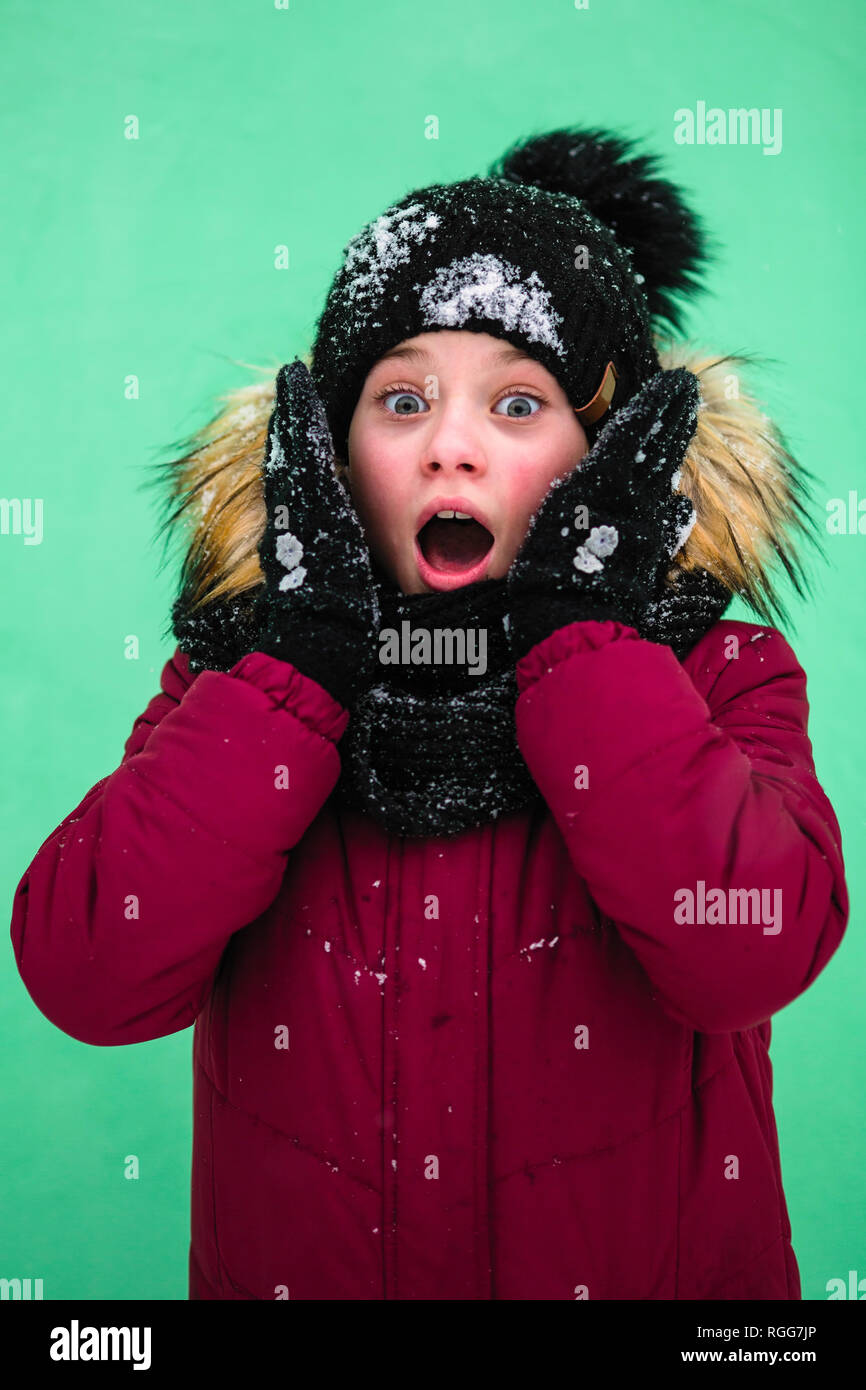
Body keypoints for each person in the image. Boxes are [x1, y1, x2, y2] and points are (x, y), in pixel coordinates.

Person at [10, 126, 848, 1300]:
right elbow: (87, 974)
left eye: (517, 404)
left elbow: (742, 952)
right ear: (325, 454)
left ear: (609, 455)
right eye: (400, 399)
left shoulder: (718, 677)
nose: (449, 445)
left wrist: (583, 636)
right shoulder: (236, 689)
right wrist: (294, 667)